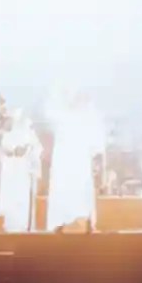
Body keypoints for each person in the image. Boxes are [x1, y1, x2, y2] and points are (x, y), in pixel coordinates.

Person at [46, 89, 104, 232]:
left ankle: (83, 222)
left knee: (81, 193)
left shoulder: (89, 114)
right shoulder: (59, 112)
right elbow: (49, 114)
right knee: (62, 190)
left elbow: (96, 142)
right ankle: (60, 224)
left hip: (81, 161)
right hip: (64, 160)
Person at [0, 109, 42, 232]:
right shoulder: (5, 132)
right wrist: (8, 152)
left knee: (21, 201)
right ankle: (7, 226)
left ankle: (23, 227)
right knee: (8, 200)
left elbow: (36, 148)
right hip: (9, 169)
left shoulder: (28, 131)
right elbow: (0, 148)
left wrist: (25, 150)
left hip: (22, 170)